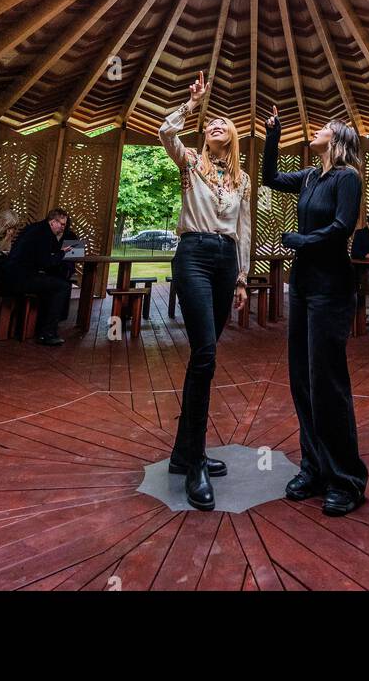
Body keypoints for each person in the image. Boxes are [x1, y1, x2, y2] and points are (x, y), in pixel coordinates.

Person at [262, 105, 368, 516]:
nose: (316, 131)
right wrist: (274, 135)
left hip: (331, 287)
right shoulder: (309, 176)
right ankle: (314, 469)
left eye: (324, 128)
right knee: (302, 380)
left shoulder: (347, 178)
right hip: (303, 286)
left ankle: (347, 479)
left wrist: (300, 241)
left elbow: (342, 227)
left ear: (338, 140)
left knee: (327, 381)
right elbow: (270, 178)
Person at [159, 71, 250, 511]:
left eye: (223, 124)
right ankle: (194, 460)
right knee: (206, 356)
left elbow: (244, 230)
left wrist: (243, 277)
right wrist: (190, 104)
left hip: (225, 260)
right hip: (193, 254)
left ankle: (183, 453)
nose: (216, 125)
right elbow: (164, 130)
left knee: (205, 355)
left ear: (231, 137)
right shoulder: (191, 161)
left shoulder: (242, 179)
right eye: (210, 122)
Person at [1, 208, 79, 346]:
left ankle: (41, 326)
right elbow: (46, 262)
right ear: (53, 221)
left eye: (65, 224)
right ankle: (47, 333)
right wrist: (62, 254)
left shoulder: (37, 229)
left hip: (14, 275)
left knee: (55, 284)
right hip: (19, 278)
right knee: (62, 287)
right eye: (61, 224)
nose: (63, 227)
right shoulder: (43, 234)